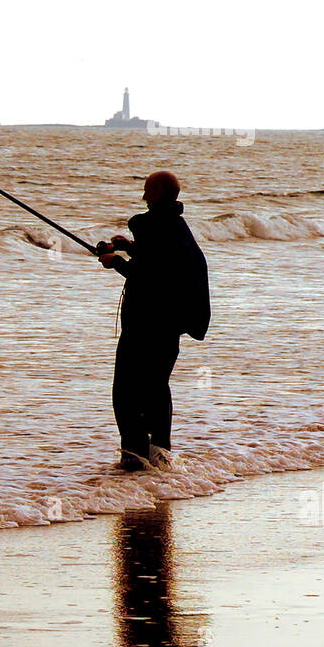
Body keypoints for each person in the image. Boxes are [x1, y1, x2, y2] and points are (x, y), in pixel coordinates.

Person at [98, 170, 210, 472]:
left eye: (147, 190)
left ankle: (134, 454)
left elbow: (149, 275)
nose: (143, 196)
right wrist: (128, 247)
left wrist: (116, 262)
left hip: (144, 326)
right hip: (169, 325)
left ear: (159, 193)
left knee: (125, 389)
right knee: (157, 386)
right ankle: (160, 451)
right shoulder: (176, 227)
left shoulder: (150, 224)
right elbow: (163, 260)